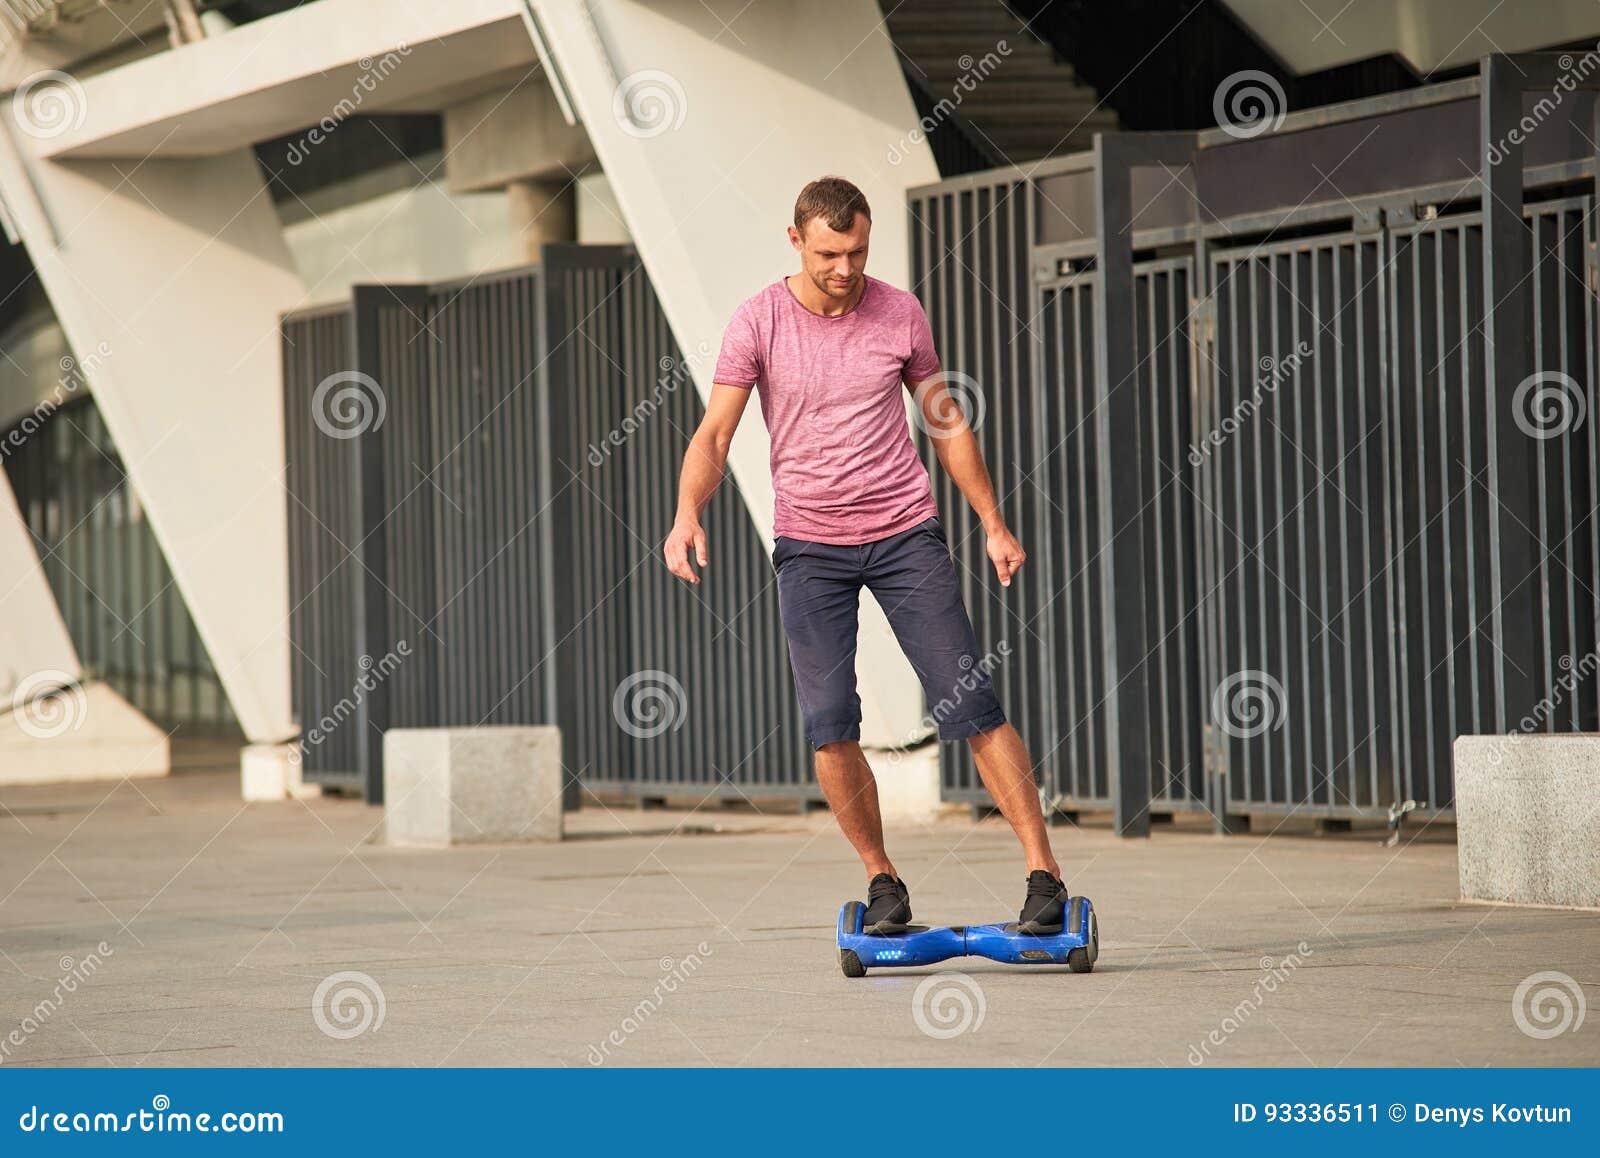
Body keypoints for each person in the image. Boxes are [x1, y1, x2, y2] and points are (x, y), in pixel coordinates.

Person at [662, 175, 1068, 934]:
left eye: (857, 251)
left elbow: (944, 420)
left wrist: (992, 521)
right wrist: (689, 513)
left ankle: (1043, 872)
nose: (845, 269)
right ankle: (883, 881)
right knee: (829, 720)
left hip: (905, 532)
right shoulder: (759, 320)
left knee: (971, 700)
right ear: (796, 242)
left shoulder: (898, 311)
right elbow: (715, 433)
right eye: (828, 254)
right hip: (811, 547)